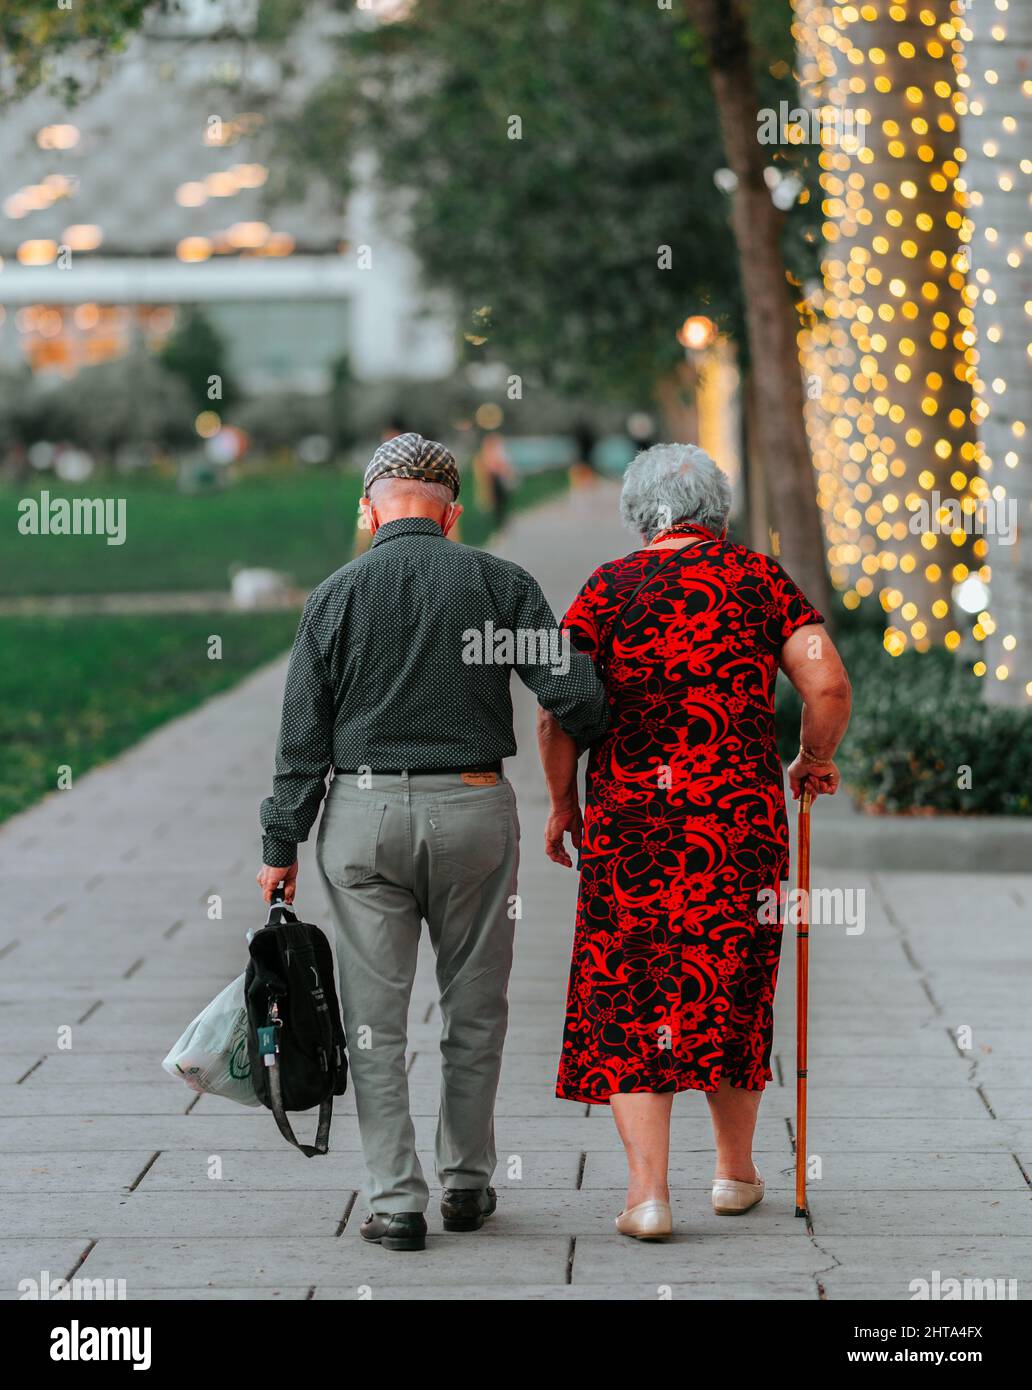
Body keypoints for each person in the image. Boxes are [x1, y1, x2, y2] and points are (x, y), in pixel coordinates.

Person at [257, 432, 608, 1252]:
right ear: (453, 514)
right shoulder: (499, 583)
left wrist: (280, 845)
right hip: (474, 810)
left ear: (369, 509)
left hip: (363, 818)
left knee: (373, 1022)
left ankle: (395, 1202)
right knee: (475, 1009)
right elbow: (571, 693)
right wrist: (589, 737)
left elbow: (301, 744)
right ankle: (468, 1184)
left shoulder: (333, 597)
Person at [537, 443, 851, 1241]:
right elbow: (827, 683)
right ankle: (735, 1175)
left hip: (631, 826)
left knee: (630, 993)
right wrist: (814, 759)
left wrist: (561, 806)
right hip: (738, 825)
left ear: (637, 512)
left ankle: (647, 1196)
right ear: (718, 509)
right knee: (733, 985)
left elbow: (554, 709)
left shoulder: (605, 590)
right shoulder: (760, 580)